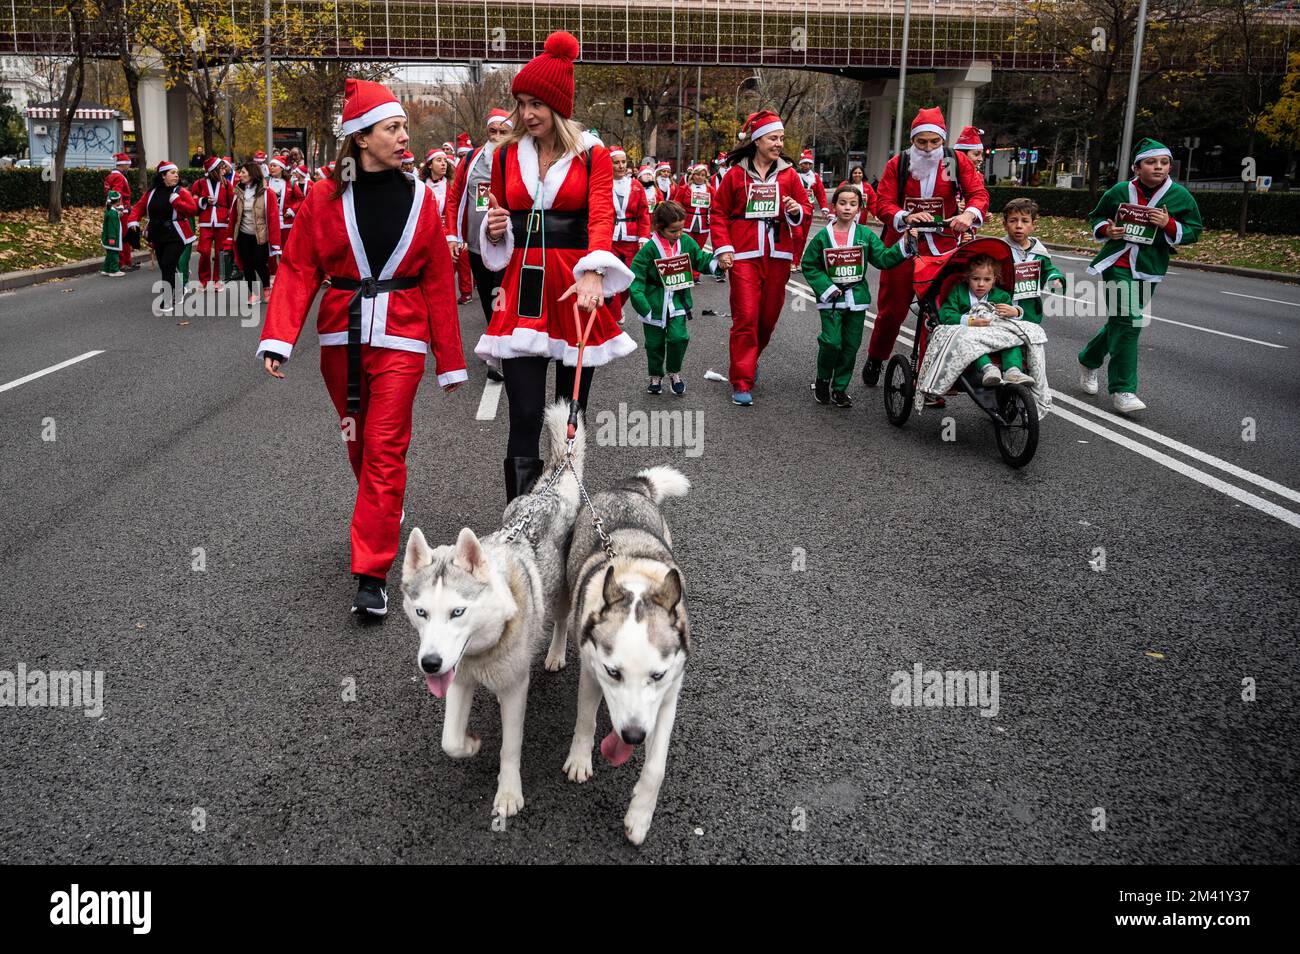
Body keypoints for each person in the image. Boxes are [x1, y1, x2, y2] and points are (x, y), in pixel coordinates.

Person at [256, 77, 466, 617]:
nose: (403, 137)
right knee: (360, 443)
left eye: (402, 127)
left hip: (401, 338)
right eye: (392, 127)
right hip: (340, 340)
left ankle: (371, 574)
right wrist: (278, 338)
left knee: (386, 444)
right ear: (361, 137)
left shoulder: (421, 197)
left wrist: (450, 359)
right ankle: (383, 507)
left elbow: (439, 280)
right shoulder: (324, 198)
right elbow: (299, 267)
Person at [477, 30, 636, 499]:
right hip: (522, 289)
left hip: (574, 287)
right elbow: (499, 219)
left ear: (558, 107)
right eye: (521, 102)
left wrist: (593, 272)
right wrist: (494, 229)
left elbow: (602, 214)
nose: (526, 114)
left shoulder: (593, 155)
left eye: (537, 104)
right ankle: (521, 517)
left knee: (570, 411)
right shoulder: (507, 155)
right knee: (524, 412)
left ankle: (564, 508)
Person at [866, 107, 989, 387]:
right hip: (903, 246)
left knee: (937, 312)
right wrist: (905, 217)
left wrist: (968, 215)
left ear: (942, 140)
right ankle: (876, 355)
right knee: (892, 310)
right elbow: (882, 203)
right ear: (912, 141)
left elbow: (979, 194)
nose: (928, 148)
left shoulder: (955, 162)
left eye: (935, 142)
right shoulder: (898, 164)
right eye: (922, 142)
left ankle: (929, 376)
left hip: (943, 246)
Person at [1078, 137, 1202, 413]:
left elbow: (1194, 230)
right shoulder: (1120, 191)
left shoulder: (1180, 196)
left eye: (1164, 162)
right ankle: (1123, 390)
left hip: (1150, 266)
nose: (1158, 167)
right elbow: (1096, 216)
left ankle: (1089, 358)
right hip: (1117, 263)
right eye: (1151, 162)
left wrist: (1168, 223)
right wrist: (1106, 230)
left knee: (1121, 323)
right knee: (1131, 322)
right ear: (1137, 168)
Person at [709, 108, 811, 406]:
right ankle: (741, 379)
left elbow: (805, 210)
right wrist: (724, 248)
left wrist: (795, 211)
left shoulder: (789, 175)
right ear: (756, 140)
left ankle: (749, 360)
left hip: (777, 254)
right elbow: (718, 212)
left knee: (767, 319)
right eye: (772, 138)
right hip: (744, 254)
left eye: (781, 138)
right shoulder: (735, 175)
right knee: (746, 317)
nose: (779, 143)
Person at [801, 185, 915, 407]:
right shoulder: (824, 237)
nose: (847, 208)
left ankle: (840, 388)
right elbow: (809, 265)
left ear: (860, 209)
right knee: (832, 342)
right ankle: (823, 379)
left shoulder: (865, 235)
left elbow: (883, 259)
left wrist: (905, 243)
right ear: (833, 207)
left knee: (851, 345)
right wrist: (826, 288)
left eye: (853, 204)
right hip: (832, 300)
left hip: (857, 299)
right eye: (842, 203)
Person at [446, 107, 514, 381]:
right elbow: (454, 199)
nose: (497, 137)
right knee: (488, 295)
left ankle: (502, 348)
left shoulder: (521, 160)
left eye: (504, 132)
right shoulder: (471, 159)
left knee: (504, 295)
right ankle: (496, 341)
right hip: (476, 245)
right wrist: (453, 235)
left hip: (510, 245)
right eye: (493, 132)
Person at [628, 200, 717, 396]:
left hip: (677, 301)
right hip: (654, 303)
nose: (678, 235)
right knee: (654, 343)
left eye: (681, 230)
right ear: (659, 228)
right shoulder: (649, 249)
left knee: (679, 337)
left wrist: (718, 264)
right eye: (673, 231)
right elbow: (636, 277)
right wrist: (643, 304)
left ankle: (674, 372)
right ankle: (655, 375)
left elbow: (700, 259)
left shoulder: (685, 241)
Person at [938, 253, 1030, 387]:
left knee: (1012, 340)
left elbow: (1010, 322)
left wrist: (1014, 311)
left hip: (996, 336)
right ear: (967, 278)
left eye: (987, 280)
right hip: (973, 336)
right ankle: (988, 368)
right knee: (970, 343)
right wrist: (969, 320)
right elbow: (946, 314)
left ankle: (1013, 370)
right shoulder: (958, 292)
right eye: (976, 279)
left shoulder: (1001, 296)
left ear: (994, 279)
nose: (981, 284)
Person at [126, 160, 199, 314]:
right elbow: (138, 207)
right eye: (172, 173)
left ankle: (167, 300)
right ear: (163, 175)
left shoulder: (180, 192)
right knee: (165, 266)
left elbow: (192, 210)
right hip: (157, 234)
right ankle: (178, 288)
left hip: (176, 233)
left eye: (177, 173)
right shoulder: (151, 193)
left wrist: (177, 202)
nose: (176, 175)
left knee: (168, 264)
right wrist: (133, 220)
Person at [226, 160, 281, 306]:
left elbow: (273, 218)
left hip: (260, 235)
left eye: (243, 172)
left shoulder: (267, 193)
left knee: (260, 264)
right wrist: (230, 236)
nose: (240, 175)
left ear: (252, 174)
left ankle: (266, 288)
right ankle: (254, 294)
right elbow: (233, 215)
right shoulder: (239, 191)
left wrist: (275, 242)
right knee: (247, 265)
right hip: (243, 235)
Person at [607, 144, 651, 317]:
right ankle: (614, 314)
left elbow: (644, 214)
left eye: (624, 162)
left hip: (632, 238)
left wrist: (643, 237)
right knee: (611, 276)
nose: (621, 166)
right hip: (610, 238)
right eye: (616, 162)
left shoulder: (636, 186)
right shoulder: (603, 184)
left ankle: (617, 308)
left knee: (631, 277)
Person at [192, 156, 233, 289]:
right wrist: (203, 200)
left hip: (222, 222)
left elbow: (231, 203)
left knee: (220, 253)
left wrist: (229, 216)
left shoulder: (227, 184)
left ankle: (218, 280)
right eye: (221, 167)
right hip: (206, 222)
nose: (224, 170)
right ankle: (204, 280)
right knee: (204, 252)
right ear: (214, 170)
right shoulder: (199, 183)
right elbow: (193, 202)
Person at [793, 148, 830, 271]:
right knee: (797, 236)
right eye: (804, 163)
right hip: (796, 211)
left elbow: (820, 193)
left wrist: (824, 207)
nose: (806, 166)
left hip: (809, 211)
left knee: (803, 238)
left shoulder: (815, 177)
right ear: (800, 164)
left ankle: (797, 262)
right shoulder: (794, 175)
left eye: (809, 164)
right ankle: (792, 261)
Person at [104, 152, 138, 271]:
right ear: (122, 165)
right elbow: (117, 194)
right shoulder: (119, 177)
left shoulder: (111, 176)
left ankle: (126, 261)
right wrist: (121, 208)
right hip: (122, 210)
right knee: (124, 237)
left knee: (123, 236)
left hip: (118, 209)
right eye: (128, 165)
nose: (129, 167)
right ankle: (123, 262)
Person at [670, 162, 712, 254]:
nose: (700, 177)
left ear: (706, 177)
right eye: (697, 174)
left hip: (703, 223)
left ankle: (695, 267)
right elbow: (676, 203)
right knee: (685, 247)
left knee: (698, 249)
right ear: (693, 175)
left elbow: (717, 205)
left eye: (702, 175)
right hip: (687, 222)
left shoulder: (710, 190)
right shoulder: (685, 188)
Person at [99, 188, 126, 277]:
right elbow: (112, 227)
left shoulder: (110, 210)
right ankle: (114, 270)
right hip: (112, 238)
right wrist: (112, 238)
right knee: (114, 254)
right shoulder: (112, 214)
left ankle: (106, 269)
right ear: (118, 201)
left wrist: (118, 214)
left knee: (109, 254)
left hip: (108, 237)